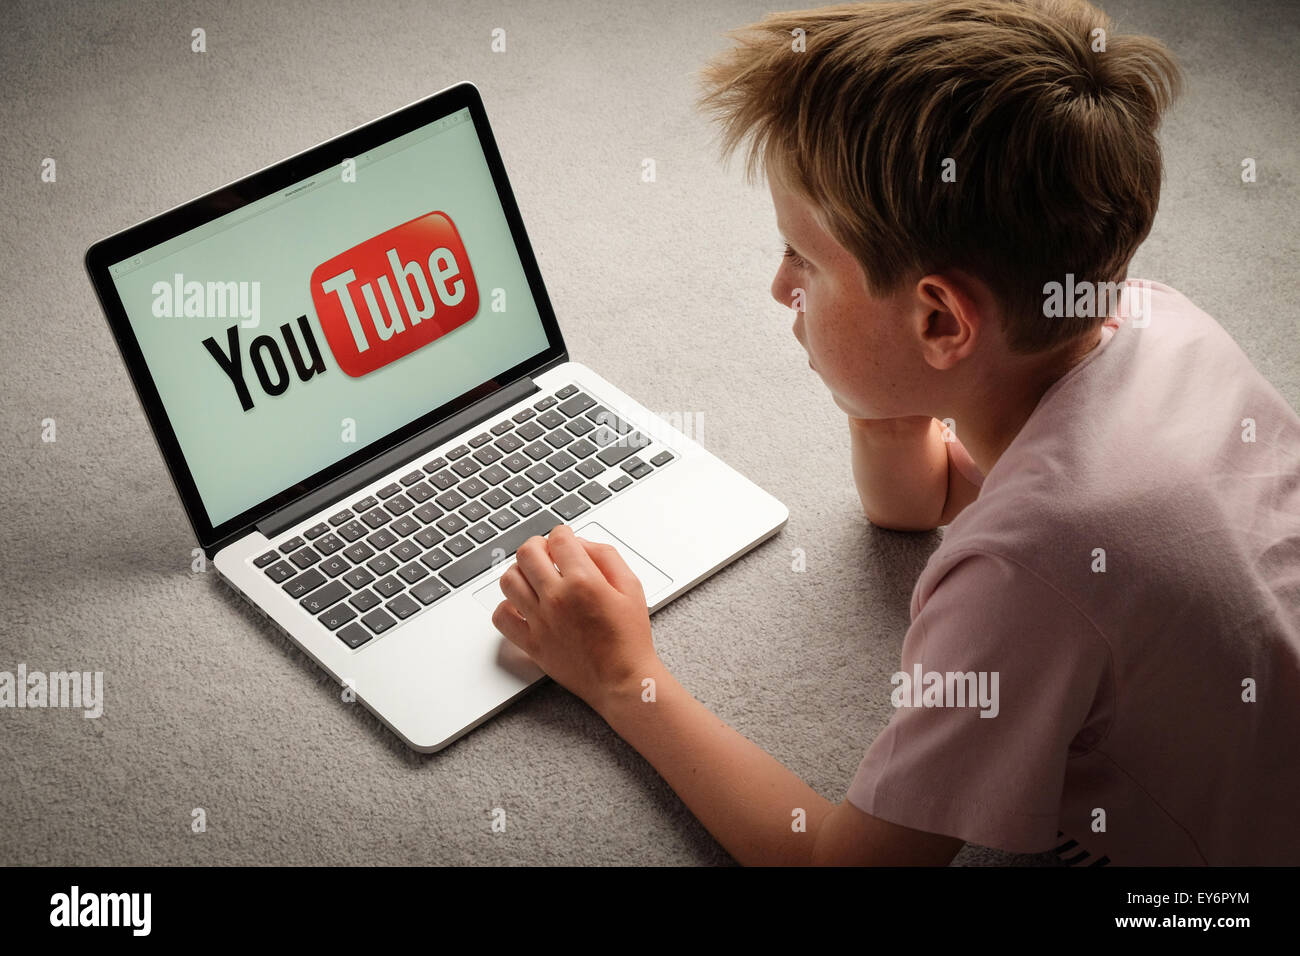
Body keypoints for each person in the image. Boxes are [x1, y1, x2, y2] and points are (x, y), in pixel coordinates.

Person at [489, 0, 1300, 865]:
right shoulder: (1157, 320)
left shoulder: (1023, 574)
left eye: (802, 258)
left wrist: (623, 678)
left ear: (944, 323)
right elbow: (917, 504)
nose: (778, 286)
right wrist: (883, 390)